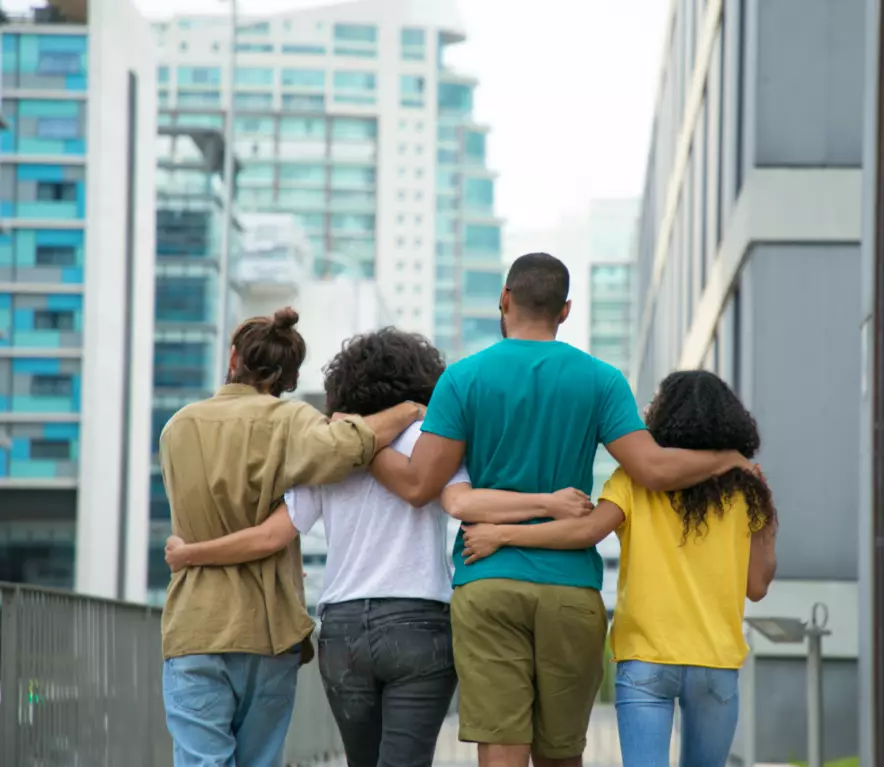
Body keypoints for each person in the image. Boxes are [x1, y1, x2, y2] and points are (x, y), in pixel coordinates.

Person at [369, 253, 752, 767]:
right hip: (571, 591)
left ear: (504, 299)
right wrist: (728, 457)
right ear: (565, 310)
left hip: (488, 580)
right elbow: (655, 470)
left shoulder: (462, 379)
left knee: (502, 750)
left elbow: (419, 485)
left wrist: (361, 447)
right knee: (560, 754)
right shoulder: (601, 379)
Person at [163, 327, 596, 767]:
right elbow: (463, 501)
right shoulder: (433, 440)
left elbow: (275, 535)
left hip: (343, 629)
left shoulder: (330, 449)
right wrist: (547, 505)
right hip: (420, 622)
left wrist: (190, 553)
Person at [460, 370, 779, 767]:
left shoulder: (635, 480)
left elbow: (586, 531)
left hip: (646, 658)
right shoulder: (746, 488)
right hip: (716, 662)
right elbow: (758, 585)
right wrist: (767, 519)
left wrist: (504, 536)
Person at [160, 309, 425, 767]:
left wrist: (189, 554)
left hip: (194, 625)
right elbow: (349, 444)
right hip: (267, 630)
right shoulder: (290, 422)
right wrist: (410, 409)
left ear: (233, 357)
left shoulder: (176, 428)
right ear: (286, 376)